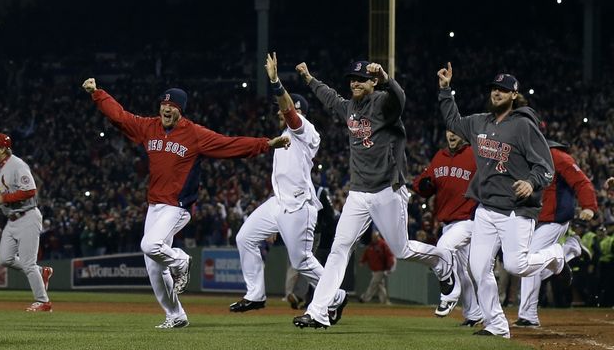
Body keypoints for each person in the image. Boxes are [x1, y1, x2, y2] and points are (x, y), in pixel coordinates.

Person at [82, 77, 287, 329]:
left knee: (149, 244)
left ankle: (181, 261)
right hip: (154, 206)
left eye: (173, 107)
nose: (166, 109)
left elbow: (229, 144)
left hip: (178, 207)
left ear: (181, 110)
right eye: (163, 105)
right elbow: (121, 117)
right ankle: (176, 314)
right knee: (154, 269)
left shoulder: (194, 134)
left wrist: (265, 144)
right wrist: (97, 94)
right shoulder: (150, 127)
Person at [292, 60, 456, 329]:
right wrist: (309, 78)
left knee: (401, 249)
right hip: (358, 193)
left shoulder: (382, 103)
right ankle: (318, 311)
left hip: (387, 191)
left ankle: (443, 260)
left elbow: (399, 99)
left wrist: (386, 78)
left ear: (372, 83)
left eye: (361, 79)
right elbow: (330, 97)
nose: (355, 83)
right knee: (339, 248)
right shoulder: (350, 108)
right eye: (352, 79)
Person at [437, 66, 578, 338]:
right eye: (494, 88)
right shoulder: (479, 122)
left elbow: (545, 166)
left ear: (514, 94)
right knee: (478, 269)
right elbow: (454, 122)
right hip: (486, 209)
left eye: (503, 89)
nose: (496, 92)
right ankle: (497, 325)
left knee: (516, 266)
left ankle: (557, 255)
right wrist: (445, 90)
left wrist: (531, 182)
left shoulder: (524, 125)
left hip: (516, 210)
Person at [231, 53, 347, 317]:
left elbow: (290, 113)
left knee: (301, 260)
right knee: (245, 237)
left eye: (287, 108)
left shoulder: (304, 128)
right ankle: (255, 294)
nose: (281, 112)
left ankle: (336, 295)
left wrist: (275, 82)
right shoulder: (283, 135)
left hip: (299, 205)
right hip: (278, 204)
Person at [514, 140, 597, 326]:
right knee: (536, 268)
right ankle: (570, 249)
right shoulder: (525, 159)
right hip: (533, 220)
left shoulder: (557, 156)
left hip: (555, 219)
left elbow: (582, 181)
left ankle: (528, 315)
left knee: (528, 260)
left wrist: (589, 207)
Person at [412, 130, 482, 325]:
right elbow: (423, 182)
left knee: (443, 248)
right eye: (449, 131)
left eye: (456, 132)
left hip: (469, 220)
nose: (451, 135)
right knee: (462, 271)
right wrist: (422, 185)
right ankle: (473, 314)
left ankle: (449, 295)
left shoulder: (474, 154)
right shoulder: (439, 156)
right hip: (447, 222)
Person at [0, 132, 53, 312]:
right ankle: (41, 272)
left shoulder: (17, 164)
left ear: (3, 149)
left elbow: (30, 190)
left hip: (27, 216)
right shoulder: (3, 167)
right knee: (5, 259)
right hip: (13, 219)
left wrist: (5, 198)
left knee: (28, 262)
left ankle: (43, 302)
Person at [359, 230, 394, 304]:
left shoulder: (383, 244)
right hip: (374, 269)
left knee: (373, 284)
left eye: (375, 237)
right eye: (373, 237)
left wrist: (389, 266)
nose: (374, 238)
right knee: (380, 285)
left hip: (380, 269)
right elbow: (366, 254)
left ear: (378, 237)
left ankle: (365, 298)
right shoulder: (371, 245)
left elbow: (389, 256)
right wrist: (362, 261)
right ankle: (385, 301)